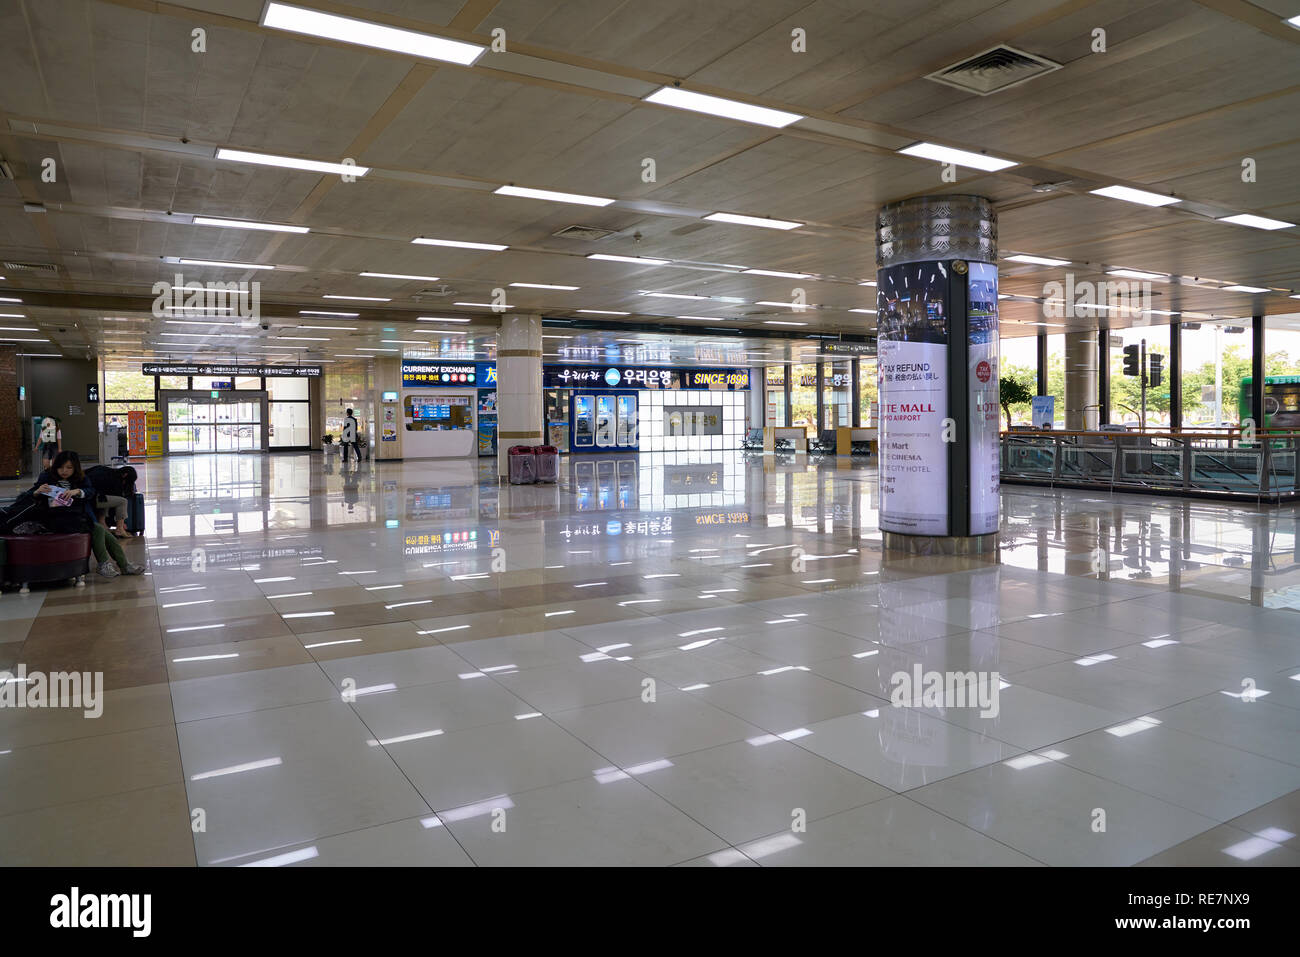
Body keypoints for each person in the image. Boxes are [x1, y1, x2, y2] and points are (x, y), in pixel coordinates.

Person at [28, 451, 144, 579]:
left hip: (74, 518)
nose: (64, 471)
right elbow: (29, 496)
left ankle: (123, 565)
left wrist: (78, 491)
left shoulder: (80, 478)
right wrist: (37, 492)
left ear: (75, 468)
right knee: (98, 529)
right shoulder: (47, 477)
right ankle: (107, 564)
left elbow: (90, 491)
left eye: (69, 468)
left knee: (103, 533)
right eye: (60, 467)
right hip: (53, 520)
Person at [85, 464, 137, 539]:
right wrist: (120, 523)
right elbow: (116, 505)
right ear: (125, 475)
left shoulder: (108, 471)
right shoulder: (116, 480)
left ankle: (102, 524)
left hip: (85, 494)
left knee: (107, 498)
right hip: (90, 497)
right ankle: (119, 530)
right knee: (123, 501)